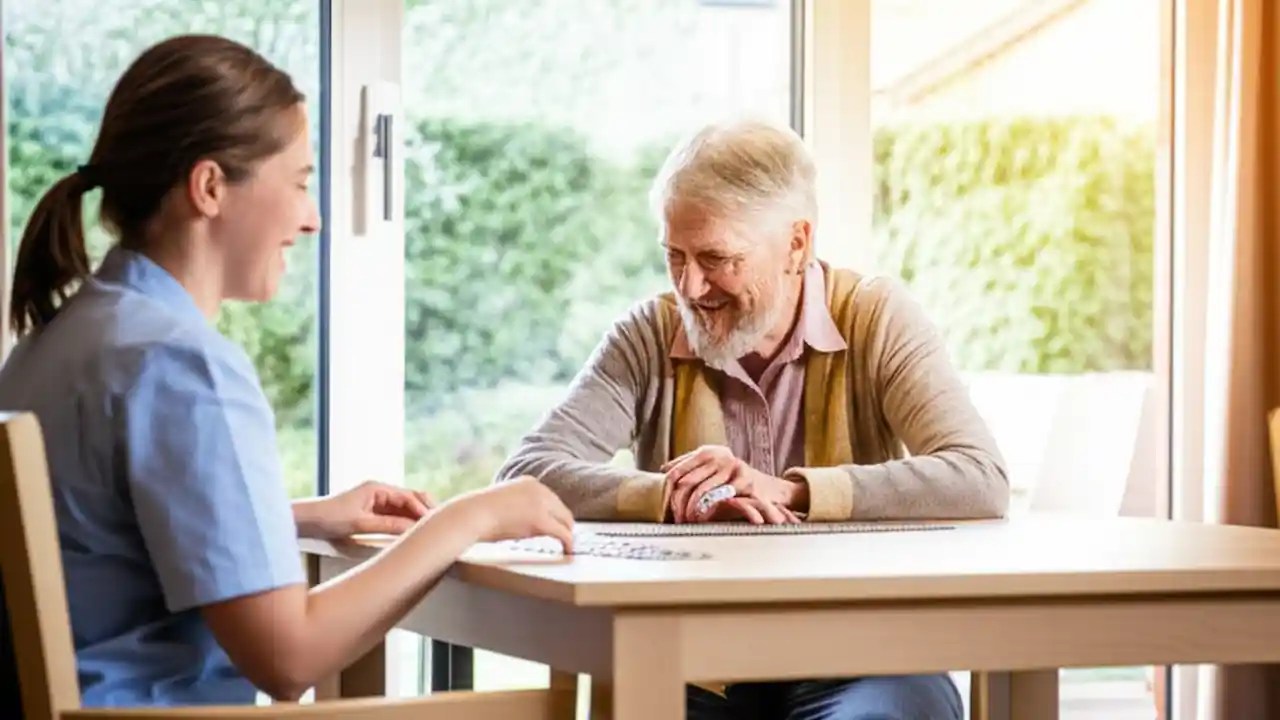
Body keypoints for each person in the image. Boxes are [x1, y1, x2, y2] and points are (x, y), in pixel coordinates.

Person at [0, 34, 573, 713]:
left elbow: (110, 534)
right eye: (300, 183)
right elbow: (287, 657)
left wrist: (294, 515)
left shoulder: (57, 341)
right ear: (210, 187)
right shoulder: (181, 365)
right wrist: (466, 519)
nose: (313, 219)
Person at [494, 119, 1009, 719]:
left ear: (797, 244)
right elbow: (525, 475)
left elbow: (979, 477)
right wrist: (673, 496)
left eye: (717, 258)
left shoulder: (876, 316)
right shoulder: (649, 334)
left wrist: (793, 490)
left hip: (864, 654)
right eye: (674, 256)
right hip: (696, 666)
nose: (690, 286)